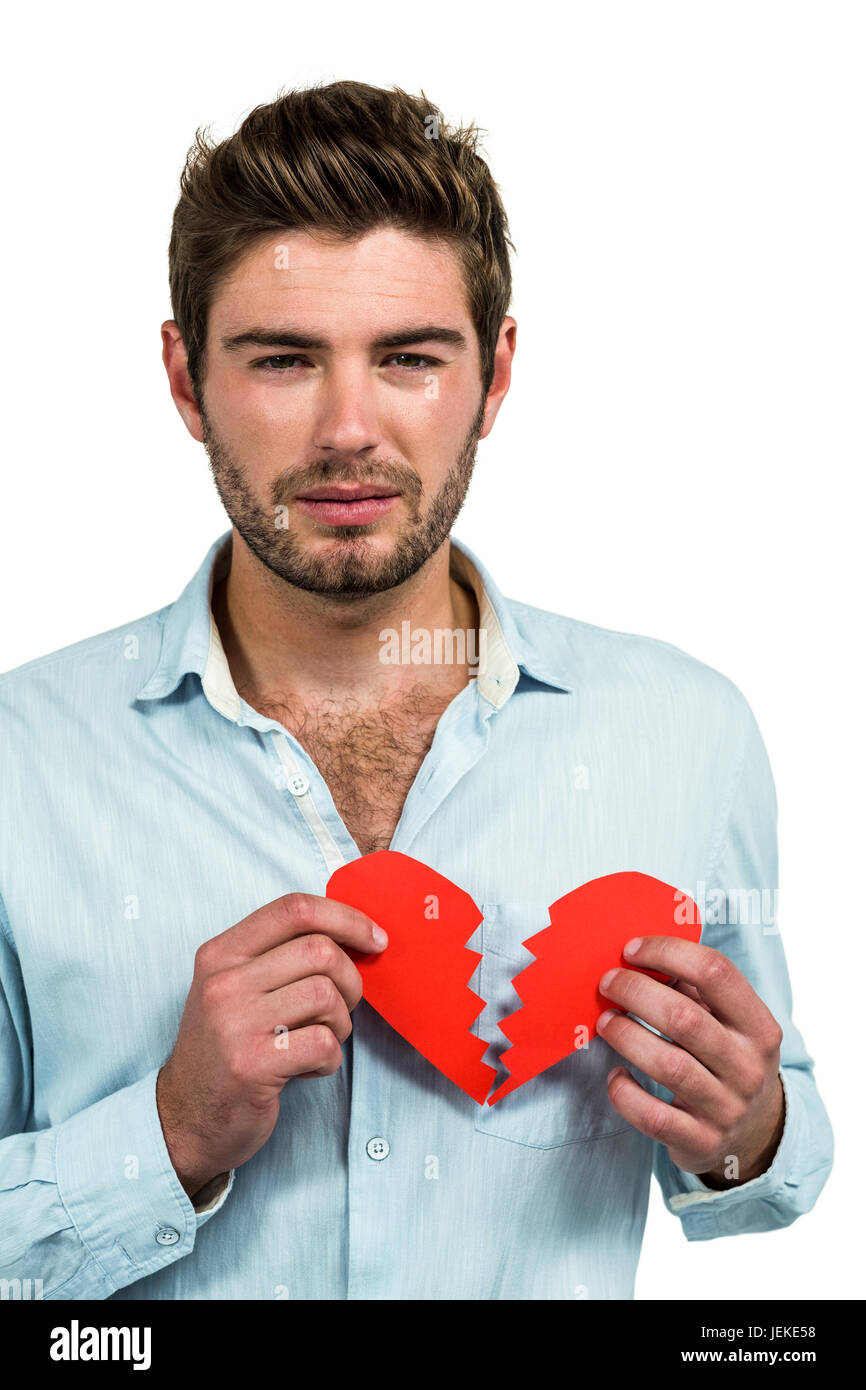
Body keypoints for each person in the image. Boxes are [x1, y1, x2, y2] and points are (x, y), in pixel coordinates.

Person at [0, 80, 832, 1301]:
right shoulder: (21, 763)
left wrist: (747, 1122)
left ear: (493, 376)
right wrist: (167, 1135)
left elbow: (782, 1158)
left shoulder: (685, 733)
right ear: (185, 379)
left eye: (408, 358)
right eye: (282, 358)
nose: (349, 427)